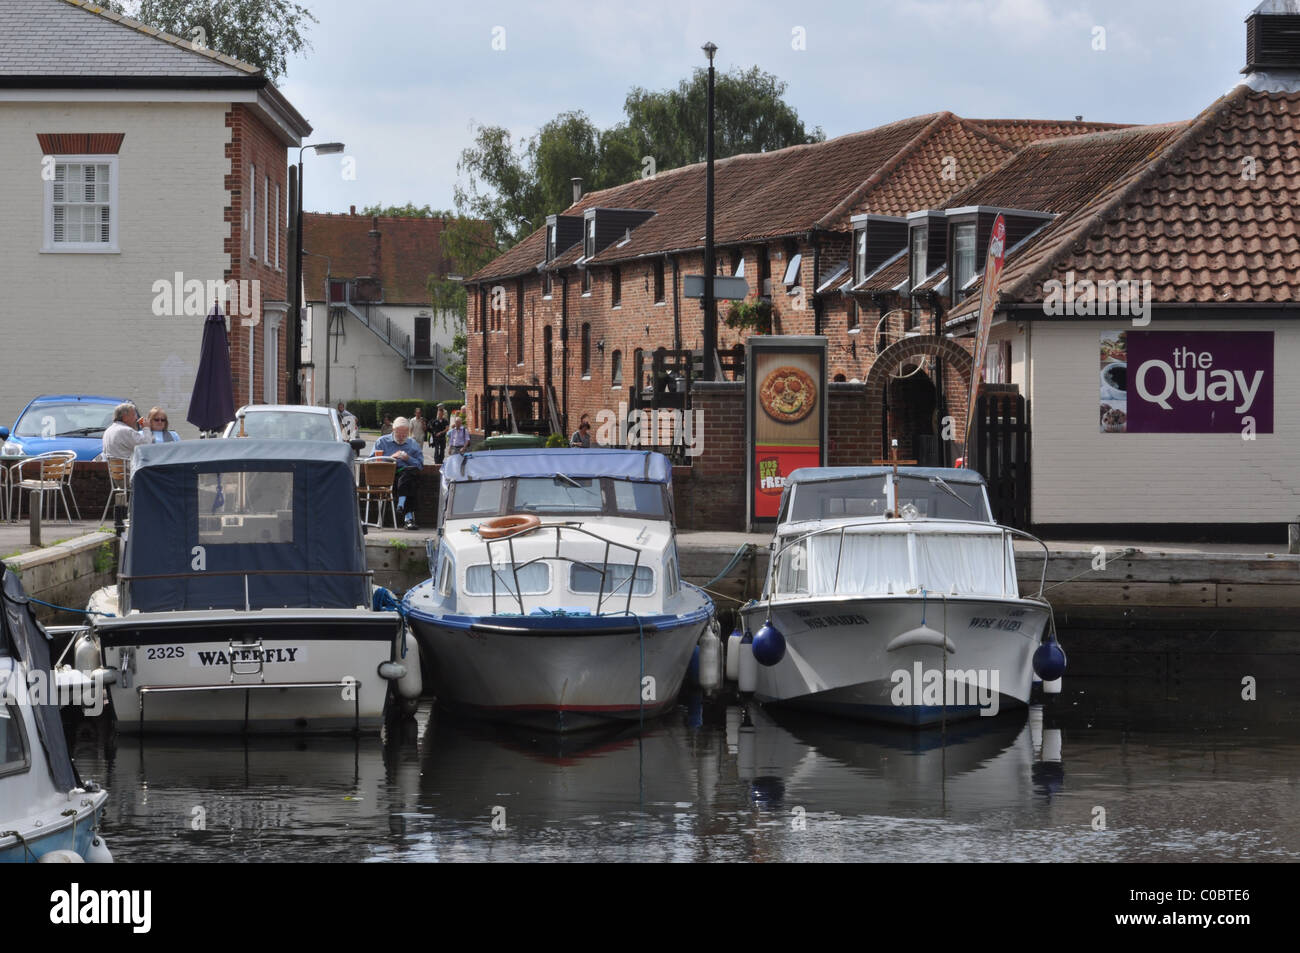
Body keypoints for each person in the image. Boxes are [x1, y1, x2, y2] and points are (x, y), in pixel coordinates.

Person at [371, 417, 424, 529]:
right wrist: (390, 458)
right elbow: (372, 462)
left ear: (408, 433)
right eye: (399, 434)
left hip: (406, 476)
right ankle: (408, 518)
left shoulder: (413, 444)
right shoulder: (382, 441)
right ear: (393, 430)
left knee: (410, 474)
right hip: (388, 476)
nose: (401, 438)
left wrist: (408, 458)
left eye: (404, 435)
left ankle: (402, 506)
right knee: (410, 480)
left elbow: (420, 465)